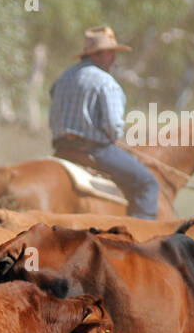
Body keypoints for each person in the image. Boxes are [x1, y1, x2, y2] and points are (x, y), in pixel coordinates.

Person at [49, 25, 159, 219]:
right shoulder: (105, 82)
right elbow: (113, 127)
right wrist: (115, 137)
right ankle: (143, 238)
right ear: (96, 54)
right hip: (94, 150)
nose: (114, 59)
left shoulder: (63, 78)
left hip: (61, 147)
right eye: (110, 53)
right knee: (148, 183)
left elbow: (52, 115)